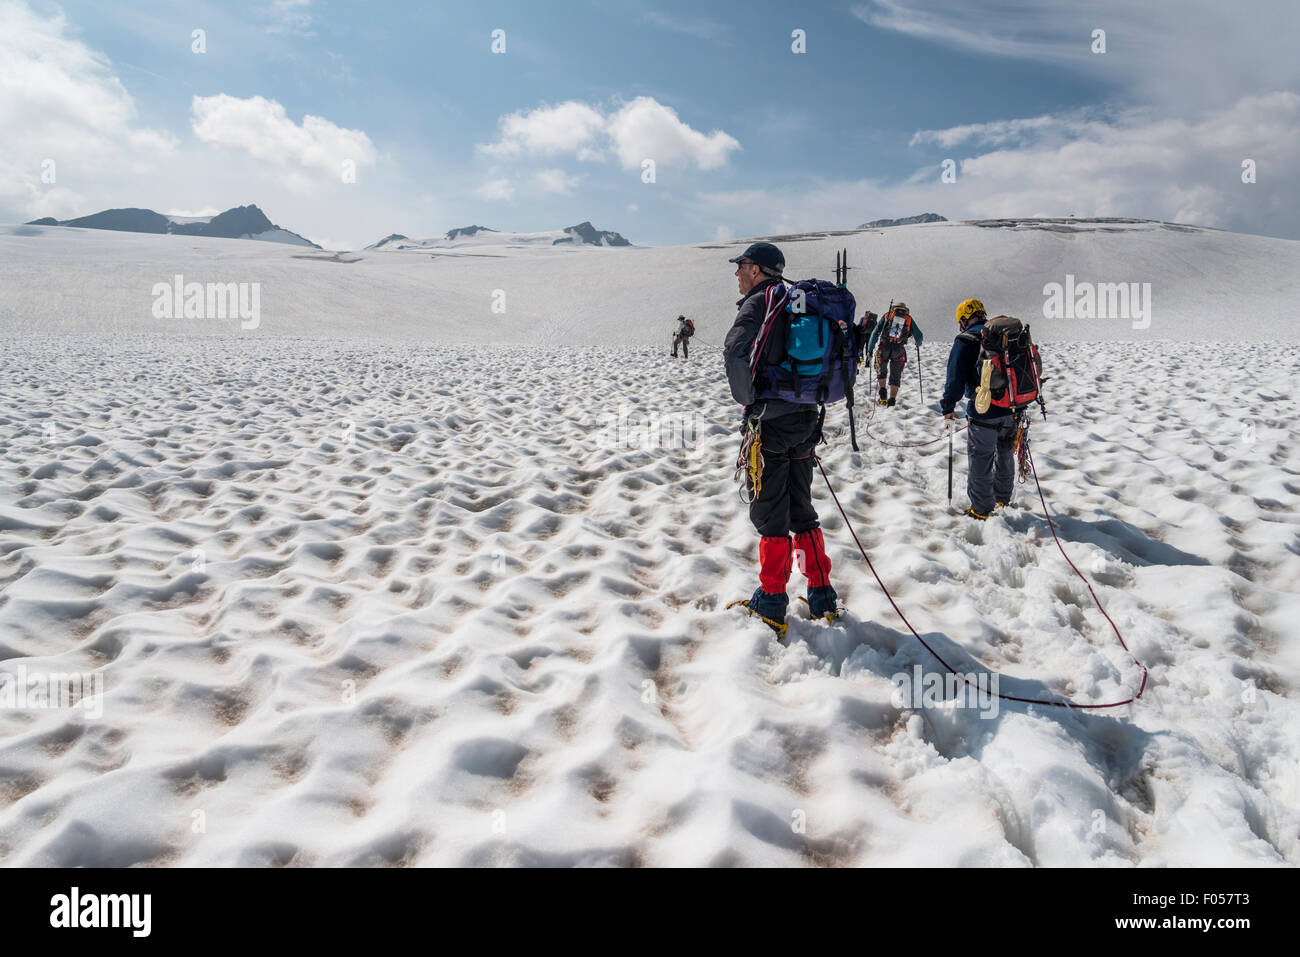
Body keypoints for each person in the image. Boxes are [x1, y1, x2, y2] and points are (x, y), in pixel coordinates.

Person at [723, 242, 838, 633]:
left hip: (770, 421)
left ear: (758, 269)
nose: (737, 273)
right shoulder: (795, 299)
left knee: (770, 510)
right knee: (801, 504)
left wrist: (748, 400)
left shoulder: (760, 302)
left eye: (742, 265)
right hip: (807, 418)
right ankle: (822, 594)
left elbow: (735, 352)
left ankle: (771, 601)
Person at [940, 297, 1015, 520]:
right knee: (1005, 452)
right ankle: (1002, 499)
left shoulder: (965, 340)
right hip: (1012, 407)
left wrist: (948, 407)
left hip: (984, 409)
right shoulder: (1004, 336)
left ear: (964, 319)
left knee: (981, 456)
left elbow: (954, 379)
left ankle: (981, 510)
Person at [865, 302, 923, 407]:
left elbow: (875, 332)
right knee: (895, 376)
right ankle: (892, 400)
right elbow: (919, 336)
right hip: (899, 350)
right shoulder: (908, 318)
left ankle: (883, 393)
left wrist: (870, 350)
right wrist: (918, 344)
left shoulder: (887, 315)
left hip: (884, 347)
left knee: (881, 371)